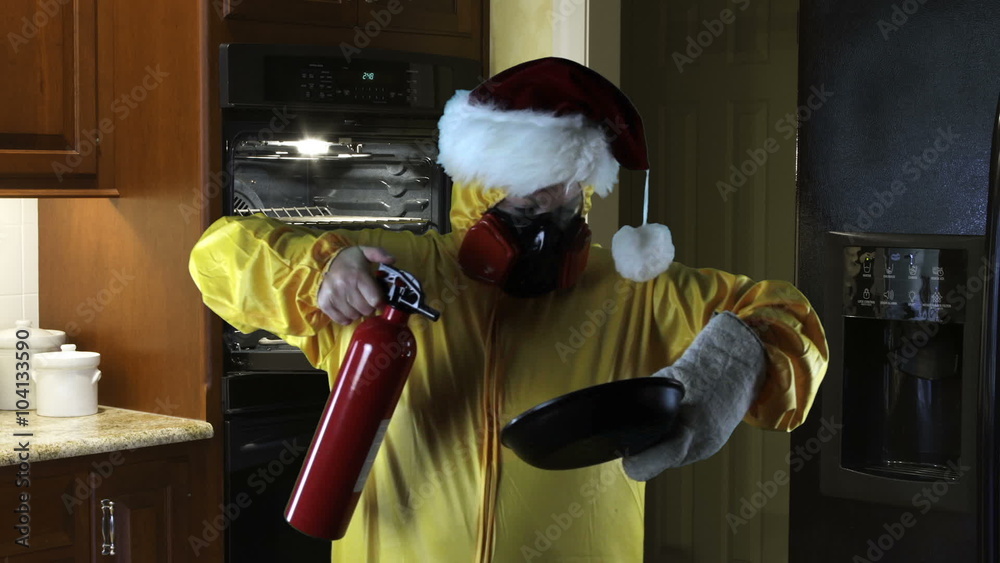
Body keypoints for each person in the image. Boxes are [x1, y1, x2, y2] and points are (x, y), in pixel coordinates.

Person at [189, 58, 828, 562]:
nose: (543, 220)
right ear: (480, 178)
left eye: (562, 197)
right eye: (521, 204)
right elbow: (216, 256)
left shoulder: (639, 293)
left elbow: (788, 321)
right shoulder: (396, 276)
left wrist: (727, 370)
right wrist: (318, 270)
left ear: (587, 186)